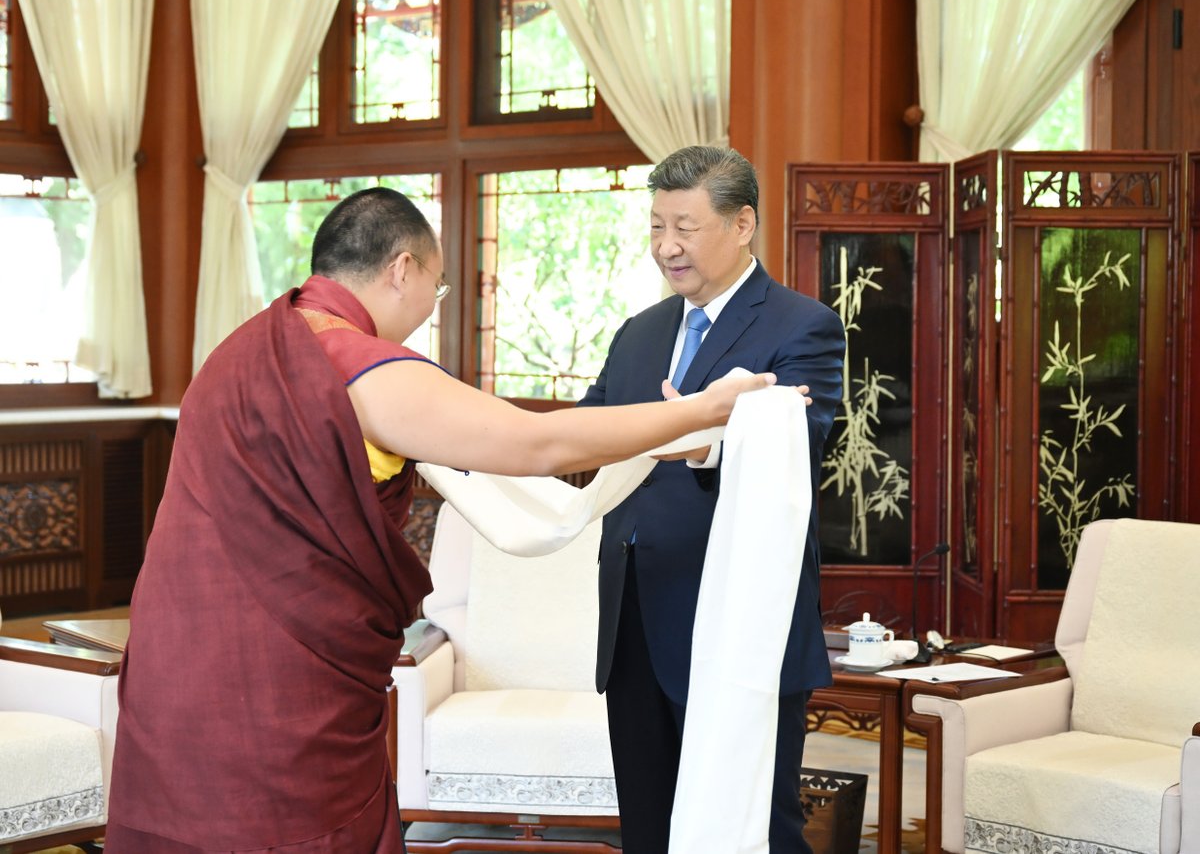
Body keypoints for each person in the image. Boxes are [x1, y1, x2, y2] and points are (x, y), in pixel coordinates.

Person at [105, 186, 777, 853]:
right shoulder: (360, 365)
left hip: (173, 648)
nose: (432, 307)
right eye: (438, 286)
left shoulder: (236, 352)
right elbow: (535, 444)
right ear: (403, 268)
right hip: (278, 681)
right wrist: (701, 410)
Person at [577, 145, 845, 853]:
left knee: (753, 825)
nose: (667, 246)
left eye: (686, 228)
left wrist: (703, 439)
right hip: (634, 621)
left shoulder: (801, 324)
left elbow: (803, 440)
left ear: (742, 223)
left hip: (739, 622)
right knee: (648, 826)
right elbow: (587, 432)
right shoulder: (638, 333)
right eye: (657, 225)